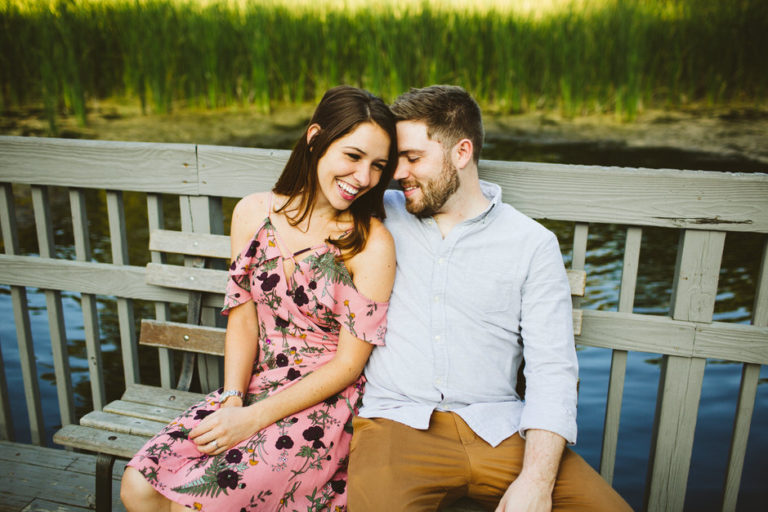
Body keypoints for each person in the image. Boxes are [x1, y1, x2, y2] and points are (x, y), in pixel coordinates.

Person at [348, 85, 632, 512]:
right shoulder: (377, 214)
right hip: (398, 425)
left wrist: (536, 481)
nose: (397, 173)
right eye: (395, 160)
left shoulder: (532, 243)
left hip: (501, 430)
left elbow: (552, 370)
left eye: (413, 158)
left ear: (462, 152)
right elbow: (308, 195)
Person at [120, 85, 397, 512]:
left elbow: (348, 365)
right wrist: (233, 397)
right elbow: (243, 317)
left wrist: (252, 419)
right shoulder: (253, 213)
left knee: (194, 506)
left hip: (323, 403)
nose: (364, 178)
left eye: (378, 166)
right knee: (138, 487)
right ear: (315, 138)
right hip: (255, 384)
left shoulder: (370, 244)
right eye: (353, 156)